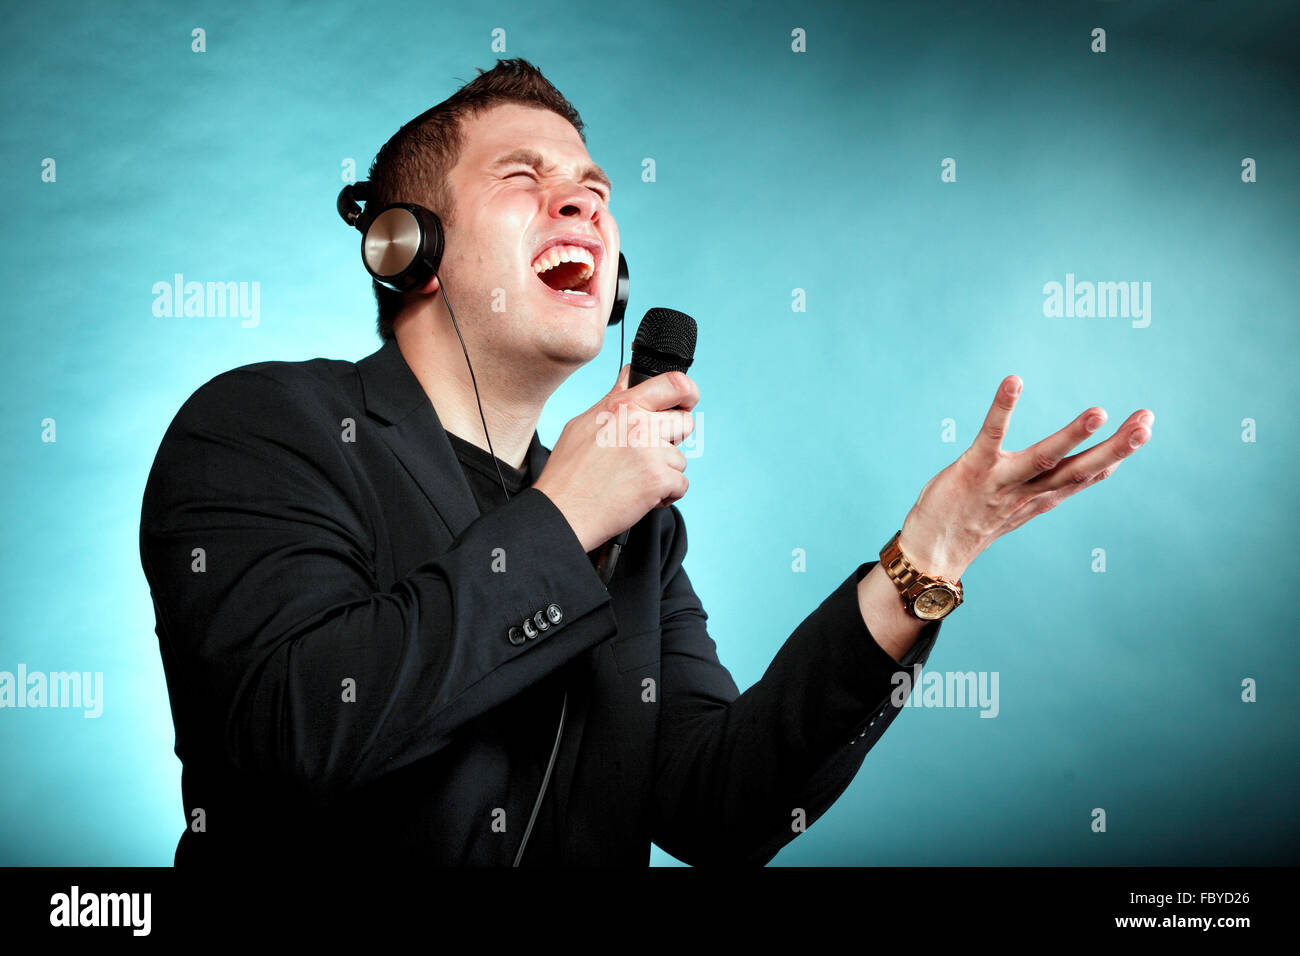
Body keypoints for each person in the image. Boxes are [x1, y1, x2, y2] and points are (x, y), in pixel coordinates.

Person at [138, 58, 1153, 867]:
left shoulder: (638, 531)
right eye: (524, 181)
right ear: (408, 246)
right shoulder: (266, 423)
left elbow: (722, 805)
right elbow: (290, 734)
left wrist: (923, 560)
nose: (578, 206)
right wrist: (561, 518)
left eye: (593, 192)